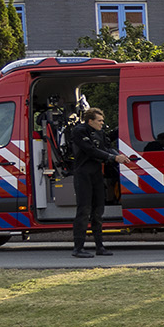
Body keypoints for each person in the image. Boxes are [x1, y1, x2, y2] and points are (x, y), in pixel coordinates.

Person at [67, 106, 118, 259]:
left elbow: (106, 148)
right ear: (90, 121)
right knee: (84, 210)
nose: (102, 124)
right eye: (99, 121)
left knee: (98, 211)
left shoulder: (100, 133)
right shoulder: (79, 131)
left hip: (96, 174)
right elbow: (91, 150)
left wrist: (118, 157)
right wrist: (113, 158)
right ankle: (78, 248)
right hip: (83, 175)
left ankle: (100, 246)